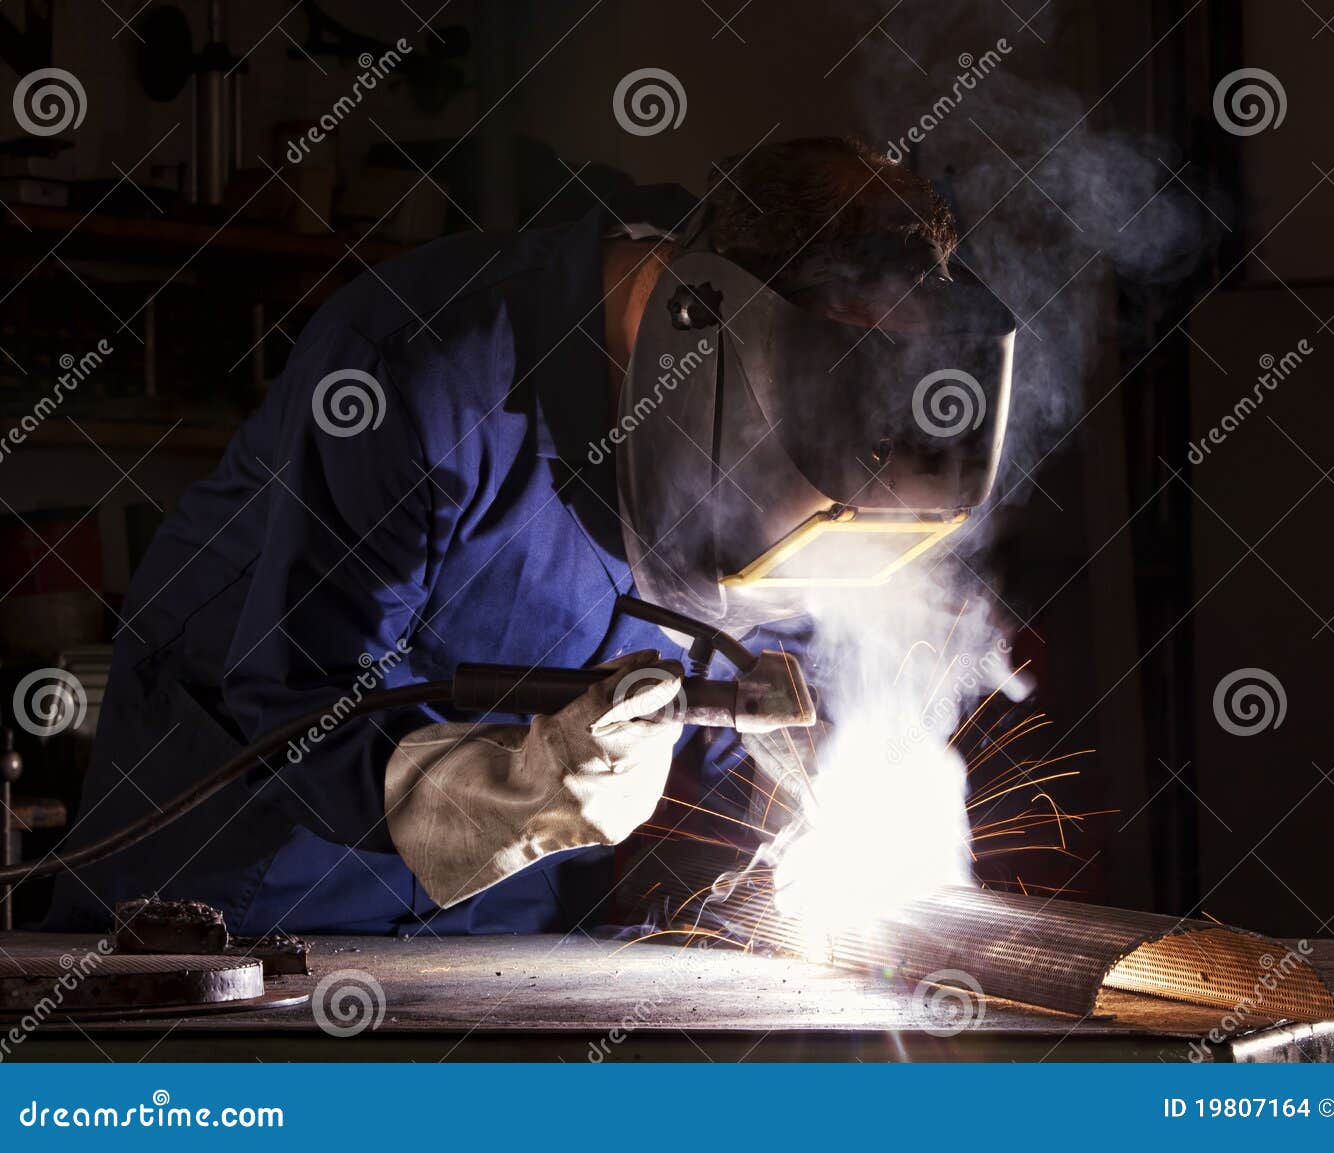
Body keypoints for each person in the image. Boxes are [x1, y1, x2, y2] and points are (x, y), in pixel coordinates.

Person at [45, 137, 1013, 935]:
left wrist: (822, 791)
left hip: (498, 951)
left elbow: (759, 686)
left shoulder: (772, 452)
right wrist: (520, 789)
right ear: (706, 328)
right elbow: (296, 708)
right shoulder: (418, 365)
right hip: (226, 915)